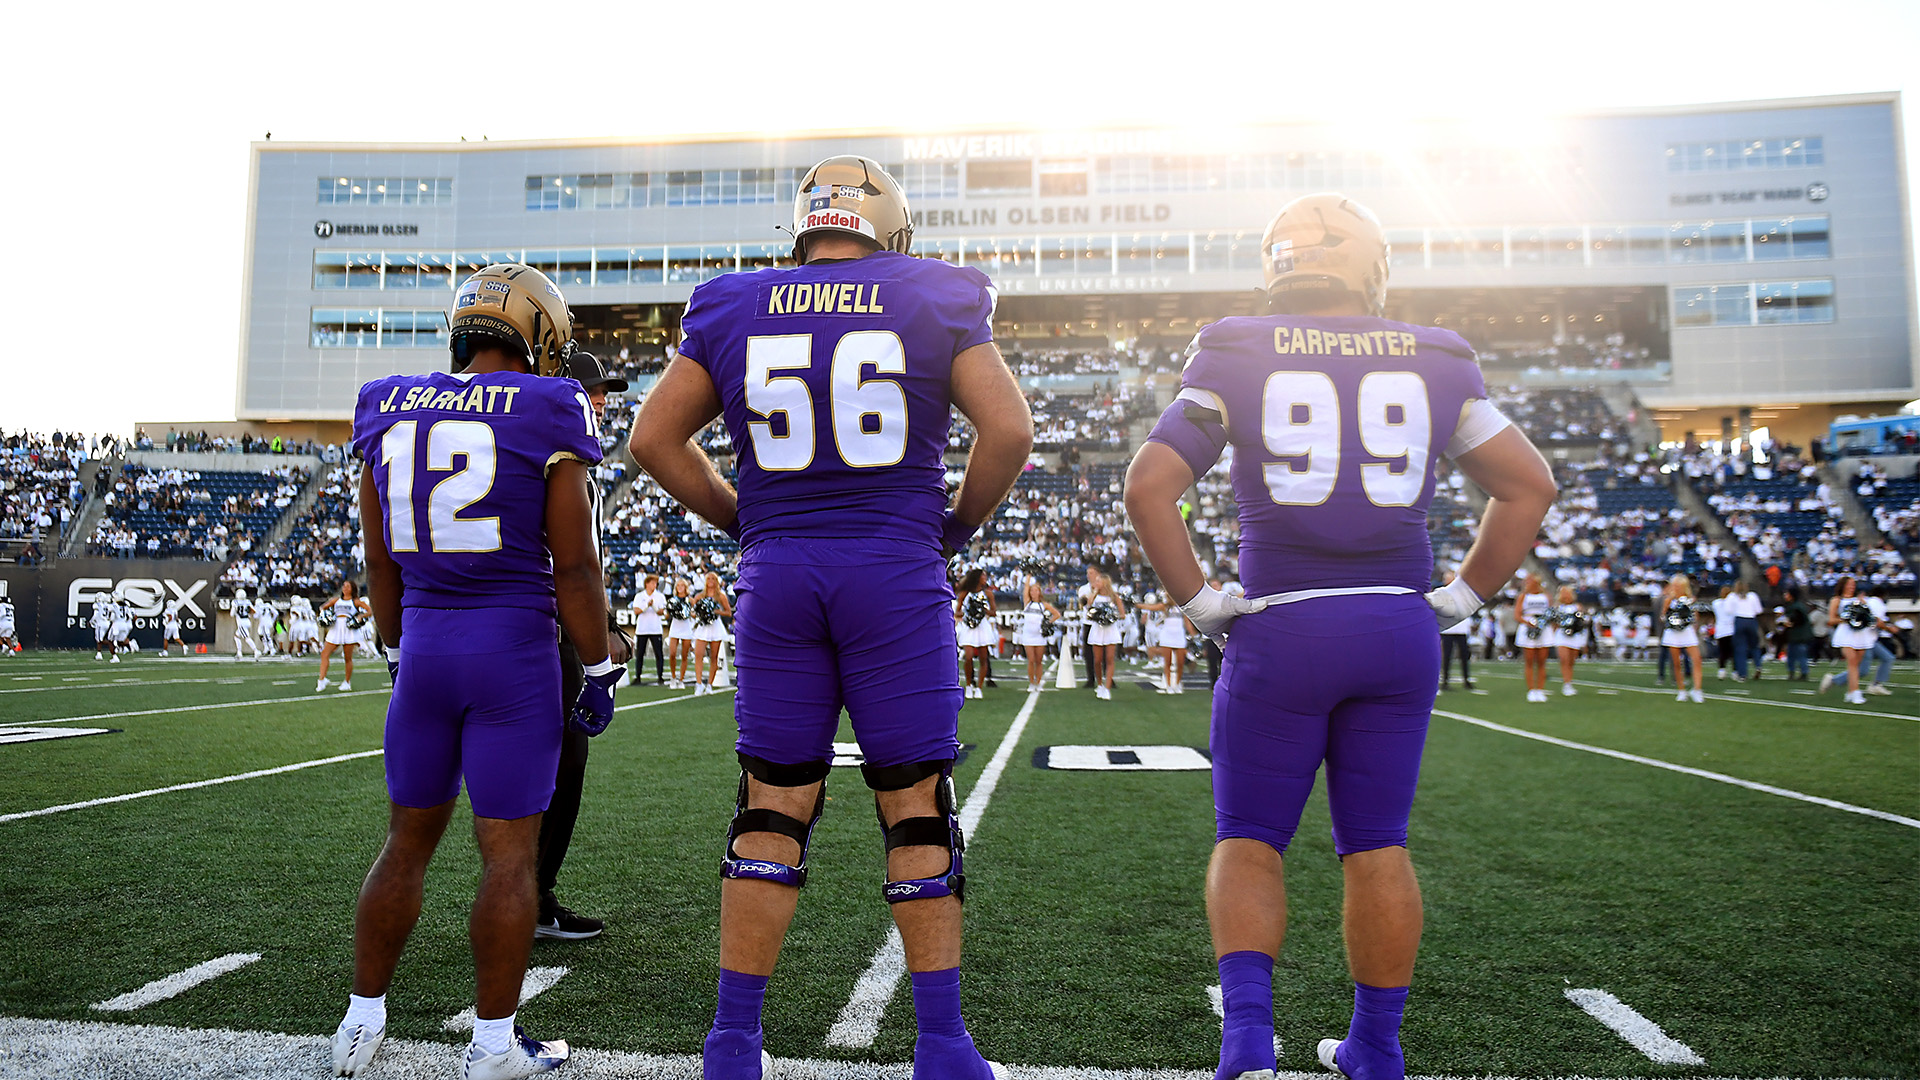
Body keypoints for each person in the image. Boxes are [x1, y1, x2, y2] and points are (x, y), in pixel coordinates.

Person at [1122, 191, 1555, 1080]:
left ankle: (1247, 1040)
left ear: (1280, 265)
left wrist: (1203, 603)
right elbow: (1528, 486)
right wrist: (1465, 595)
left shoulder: (1238, 347)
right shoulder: (1435, 357)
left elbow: (1148, 487)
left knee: (1249, 837)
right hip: (1397, 625)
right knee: (1377, 842)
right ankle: (1375, 1049)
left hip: (1285, 627)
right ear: (1371, 267)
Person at [628, 155, 1031, 1080]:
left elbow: (653, 438)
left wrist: (749, 520)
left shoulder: (732, 303)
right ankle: (943, 1048)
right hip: (893, 566)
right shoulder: (934, 291)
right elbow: (1009, 431)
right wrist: (956, 526)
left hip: (779, 573)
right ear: (888, 225)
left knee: (770, 802)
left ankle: (732, 1045)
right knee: (916, 808)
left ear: (804, 226)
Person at [332, 261, 614, 1080]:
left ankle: (358, 1024)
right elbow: (576, 568)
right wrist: (597, 668)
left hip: (423, 648)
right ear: (539, 335)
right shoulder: (551, 406)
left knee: (403, 847)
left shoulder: (390, 405)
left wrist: (392, 650)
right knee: (509, 860)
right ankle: (492, 1045)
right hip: (514, 659)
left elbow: (379, 562)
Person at [537, 349, 634, 943]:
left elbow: (584, 565)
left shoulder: (577, 462)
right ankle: (530, 895)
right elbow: (568, 567)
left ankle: (531, 893)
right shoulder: (553, 459)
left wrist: (606, 627)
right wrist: (595, 640)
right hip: (542, 631)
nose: (600, 399)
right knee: (559, 763)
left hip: (558, 628)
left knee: (561, 764)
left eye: (603, 391)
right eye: (589, 389)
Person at [1819, 577, 1888, 704]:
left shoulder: (1859, 600)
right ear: (1843, 585)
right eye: (1849, 584)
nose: (1852, 587)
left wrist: (1863, 610)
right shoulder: (1837, 600)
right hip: (1845, 633)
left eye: (1853, 584)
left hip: (1860, 634)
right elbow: (1831, 620)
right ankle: (1856, 693)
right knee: (1851, 662)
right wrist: (1847, 619)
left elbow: (1868, 616)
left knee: (1856, 665)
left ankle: (1850, 692)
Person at [316, 581, 371, 692]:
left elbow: (370, 611)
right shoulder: (336, 600)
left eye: (347, 586)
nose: (344, 588)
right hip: (336, 628)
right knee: (325, 653)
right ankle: (322, 680)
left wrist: (361, 616)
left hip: (349, 629)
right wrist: (325, 615)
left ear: (352, 589)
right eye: (344, 586)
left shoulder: (355, 602)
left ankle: (347, 682)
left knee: (347, 658)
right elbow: (322, 607)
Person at [1660, 575, 1706, 703]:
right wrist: (1672, 619)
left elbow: (1695, 616)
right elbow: (1663, 616)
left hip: (1687, 631)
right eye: (1674, 585)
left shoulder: (1690, 600)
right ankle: (1681, 690)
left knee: (1697, 659)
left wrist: (1687, 619)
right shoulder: (1669, 600)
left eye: (1678, 586)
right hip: (1672, 632)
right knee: (1676, 662)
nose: (1676, 588)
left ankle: (1697, 690)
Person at [954, 568, 997, 700]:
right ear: (977, 577)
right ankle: (968, 685)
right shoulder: (965, 593)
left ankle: (979, 687)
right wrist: (969, 611)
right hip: (968, 627)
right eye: (983, 576)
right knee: (968, 656)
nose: (985, 578)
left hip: (982, 626)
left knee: (983, 658)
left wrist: (982, 610)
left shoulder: (988, 594)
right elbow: (957, 612)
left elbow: (994, 612)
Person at [1083, 572, 1126, 701]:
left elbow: (1122, 614)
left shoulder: (1114, 597)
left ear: (1105, 583)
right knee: (1097, 660)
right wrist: (1094, 592)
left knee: (1110, 659)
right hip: (1097, 629)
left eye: (1098, 581)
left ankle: (1107, 689)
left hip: (1110, 629)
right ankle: (1100, 684)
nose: (1095, 583)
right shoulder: (1094, 596)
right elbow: (1088, 608)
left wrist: (1110, 617)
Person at [1012, 580, 1060, 693]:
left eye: (1036, 590)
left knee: (1038, 660)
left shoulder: (1043, 605)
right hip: (1028, 635)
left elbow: (1057, 614)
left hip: (1039, 636)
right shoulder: (1027, 603)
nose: (1033, 592)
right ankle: (1031, 683)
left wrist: (1048, 623)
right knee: (1031, 660)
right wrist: (1028, 578)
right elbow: (1025, 591)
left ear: (1039, 592)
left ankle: (1038, 683)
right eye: (1032, 590)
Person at [691, 571, 734, 696]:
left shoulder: (721, 596)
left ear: (716, 581)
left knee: (714, 657)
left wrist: (715, 611)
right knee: (698, 655)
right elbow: (693, 612)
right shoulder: (700, 596)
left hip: (715, 626)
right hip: (703, 626)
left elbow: (728, 612)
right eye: (708, 578)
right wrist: (700, 614)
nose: (710, 580)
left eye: (713, 578)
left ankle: (710, 684)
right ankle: (699, 684)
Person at [1515, 576, 1551, 702]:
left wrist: (1543, 622)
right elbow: (1517, 615)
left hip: (1543, 628)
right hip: (1528, 628)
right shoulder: (1523, 597)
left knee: (1542, 661)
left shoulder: (1546, 596)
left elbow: (1551, 611)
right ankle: (1531, 690)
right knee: (1529, 661)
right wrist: (1528, 623)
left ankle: (1540, 690)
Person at [1437, 572, 1474, 691]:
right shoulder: (1440, 592)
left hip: (1461, 629)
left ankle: (1466, 679)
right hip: (1448, 629)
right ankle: (1445, 680)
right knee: (1447, 656)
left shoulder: (1462, 592)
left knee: (1464, 655)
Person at [1549, 585, 1587, 697]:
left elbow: (1581, 622)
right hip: (1561, 635)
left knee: (1571, 660)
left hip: (1575, 636)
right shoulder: (1557, 608)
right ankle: (1566, 684)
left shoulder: (1578, 607)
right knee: (1564, 659)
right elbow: (1554, 623)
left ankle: (1569, 681)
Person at [631, 574, 668, 686]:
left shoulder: (660, 596)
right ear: (647, 584)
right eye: (652, 583)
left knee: (658, 654)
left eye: (655, 583)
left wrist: (654, 607)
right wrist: (647, 606)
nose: (654, 585)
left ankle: (660, 676)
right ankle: (638, 676)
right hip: (642, 629)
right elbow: (636, 610)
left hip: (655, 629)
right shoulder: (639, 596)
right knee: (640, 653)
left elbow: (662, 611)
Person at [1728, 580, 1765, 680]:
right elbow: (1759, 610)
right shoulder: (1752, 596)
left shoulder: (1732, 596)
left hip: (1739, 620)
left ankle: (1742, 674)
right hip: (1751, 620)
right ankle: (1758, 665)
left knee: (1740, 649)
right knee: (1755, 646)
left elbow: (1728, 610)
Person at [666, 578, 696, 690]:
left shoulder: (690, 600)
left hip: (686, 627)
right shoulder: (672, 600)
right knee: (672, 653)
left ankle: (681, 679)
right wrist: (667, 612)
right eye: (678, 585)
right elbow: (667, 616)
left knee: (684, 655)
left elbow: (694, 613)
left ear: (685, 587)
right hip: (675, 627)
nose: (680, 587)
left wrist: (693, 614)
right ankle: (673, 677)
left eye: (682, 585)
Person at [1779, 587, 1813, 681]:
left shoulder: (1796, 607)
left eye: (1787, 594)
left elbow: (1797, 620)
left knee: (1798, 655)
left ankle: (1802, 673)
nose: (1785, 596)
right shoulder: (1796, 605)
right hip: (1796, 635)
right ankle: (1796, 672)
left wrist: (1788, 623)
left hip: (1798, 635)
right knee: (1792, 655)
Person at [1710, 585, 1736, 680]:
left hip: (1721, 630)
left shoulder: (1716, 603)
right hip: (1731, 629)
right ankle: (1734, 671)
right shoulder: (1731, 604)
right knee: (1733, 652)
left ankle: (1722, 671)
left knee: (1722, 652)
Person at [254, 594, 280, 659]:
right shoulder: (267, 605)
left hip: (264, 623)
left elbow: (255, 616)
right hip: (267, 622)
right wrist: (272, 620)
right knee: (260, 633)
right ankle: (266, 648)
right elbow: (276, 613)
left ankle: (272, 649)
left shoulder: (258, 607)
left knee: (266, 636)